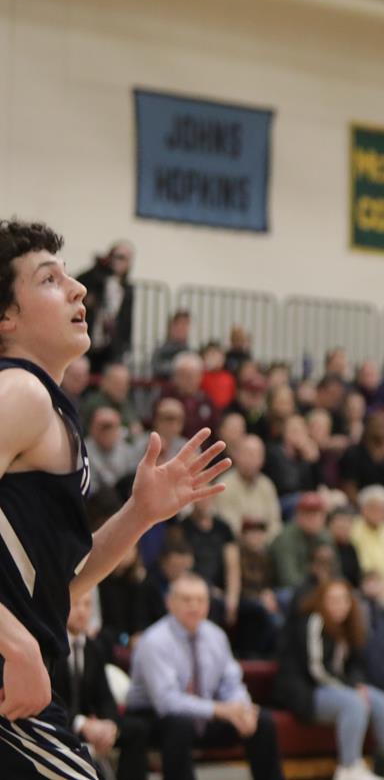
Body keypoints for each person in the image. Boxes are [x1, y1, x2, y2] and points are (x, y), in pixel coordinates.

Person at [0, 221, 230, 779]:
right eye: (50, 280)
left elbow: (58, 589)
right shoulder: (19, 392)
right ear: (5, 317)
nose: (79, 289)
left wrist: (140, 513)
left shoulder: (48, 409)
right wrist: (12, 640)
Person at [126, 572, 283, 780]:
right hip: (153, 717)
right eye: (186, 599)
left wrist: (241, 708)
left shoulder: (215, 635)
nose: (194, 606)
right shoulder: (154, 640)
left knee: (261, 721)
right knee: (179, 724)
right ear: (169, 603)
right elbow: (167, 702)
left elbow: (231, 683)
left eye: (200, 600)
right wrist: (219, 710)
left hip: (204, 713)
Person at [275, 579, 384, 780]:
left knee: (380, 700)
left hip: (336, 687)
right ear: (321, 601)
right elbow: (316, 670)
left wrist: (356, 684)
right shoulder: (312, 621)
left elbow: (356, 664)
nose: (338, 605)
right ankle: (349, 767)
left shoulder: (350, 623)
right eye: (333, 599)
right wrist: (351, 689)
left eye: (343, 600)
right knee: (354, 702)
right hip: (306, 692)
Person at [55, 591, 150, 780]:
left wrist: (110, 726)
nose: (82, 611)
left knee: (138, 729)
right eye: (76, 605)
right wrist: (82, 724)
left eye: (87, 605)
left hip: (90, 723)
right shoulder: (50, 648)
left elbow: (105, 698)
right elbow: (50, 699)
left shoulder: (94, 647)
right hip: (59, 721)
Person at [75, 242, 134, 373]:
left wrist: (123, 346)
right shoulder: (93, 277)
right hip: (87, 340)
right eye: (118, 257)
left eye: (125, 259)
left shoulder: (127, 289)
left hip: (109, 346)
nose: (120, 262)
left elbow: (126, 320)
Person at [214, 435, 283, 542]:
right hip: (235, 543)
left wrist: (264, 539)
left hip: (266, 545)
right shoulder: (223, 485)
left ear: (263, 460)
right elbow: (226, 524)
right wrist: (249, 538)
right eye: (247, 454)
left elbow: (275, 523)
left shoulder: (267, 485)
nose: (251, 460)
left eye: (256, 455)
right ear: (236, 456)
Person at [149, 309, 191, 382]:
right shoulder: (161, 350)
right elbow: (157, 368)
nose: (182, 328)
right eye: (179, 324)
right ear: (171, 327)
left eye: (185, 324)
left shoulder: (190, 352)